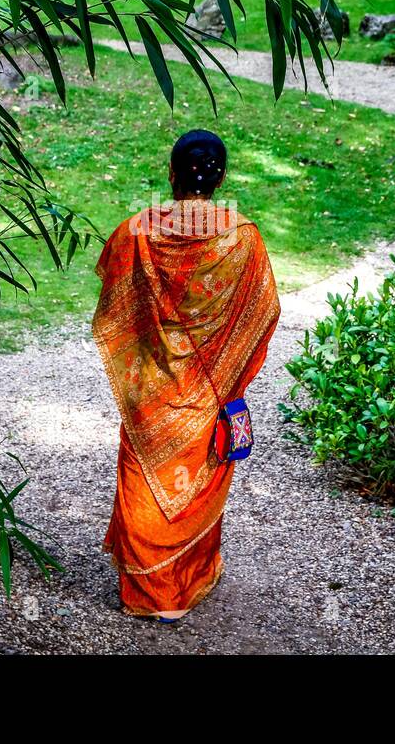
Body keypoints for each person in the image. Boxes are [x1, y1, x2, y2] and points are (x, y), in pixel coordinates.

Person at [92, 129, 281, 622]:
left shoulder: (136, 229)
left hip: (150, 388)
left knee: (144, 481)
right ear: (221, 178)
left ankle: (147, 594)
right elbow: (263, 313)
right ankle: (187, 582)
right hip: (207, 392)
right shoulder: (244, 238)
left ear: (171, 174)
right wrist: (231, 376)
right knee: (198, 480)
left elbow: (112, 302)